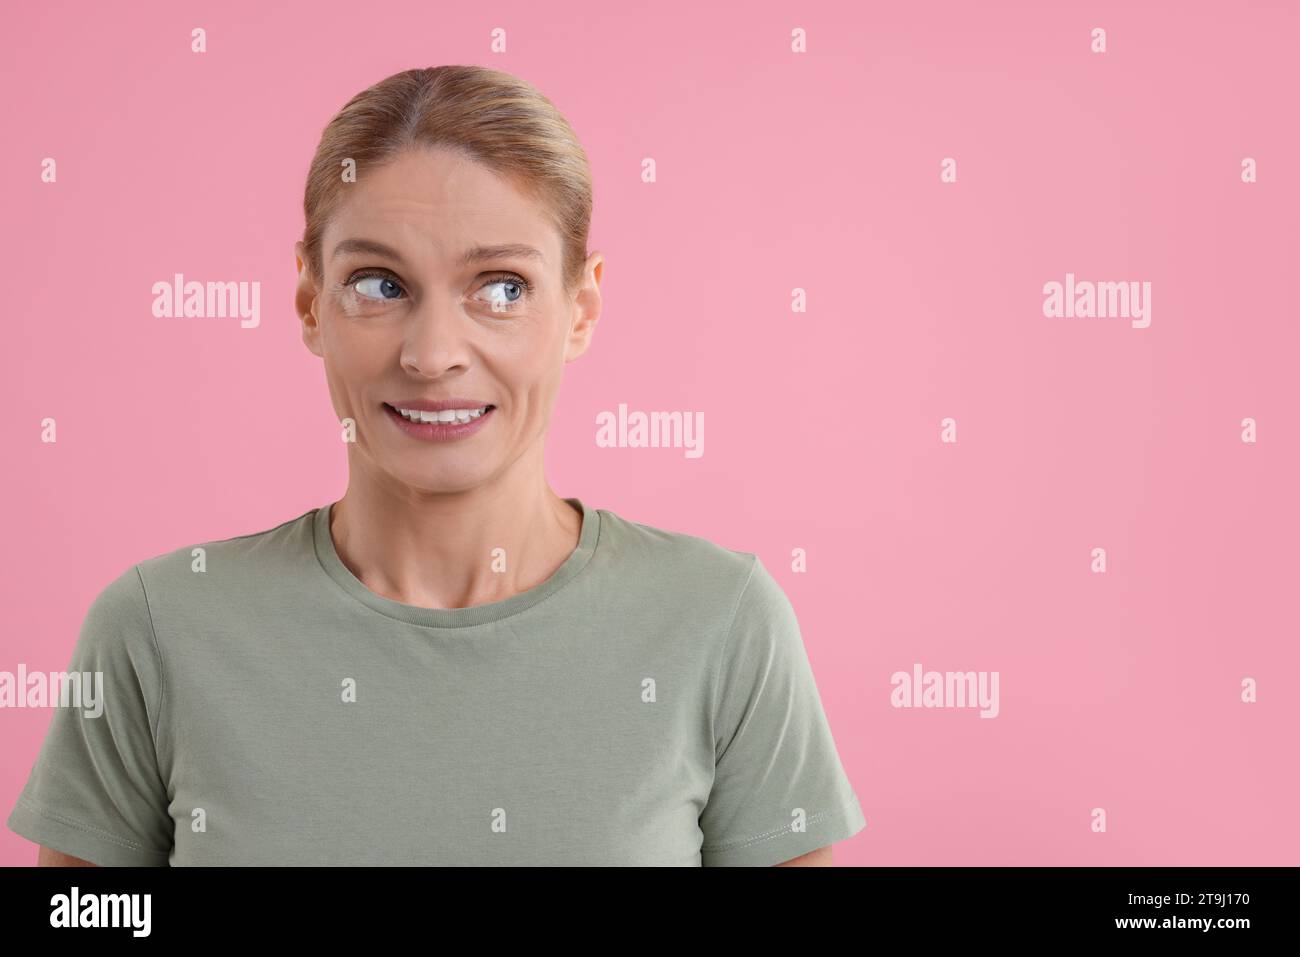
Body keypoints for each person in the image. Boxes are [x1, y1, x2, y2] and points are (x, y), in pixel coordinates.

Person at [6, 65, 866, 866]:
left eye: (501, 287)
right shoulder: (157, 626)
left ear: (581, 307)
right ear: (311, 303)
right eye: (380, 284)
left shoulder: (721, 621)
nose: (432, 354)